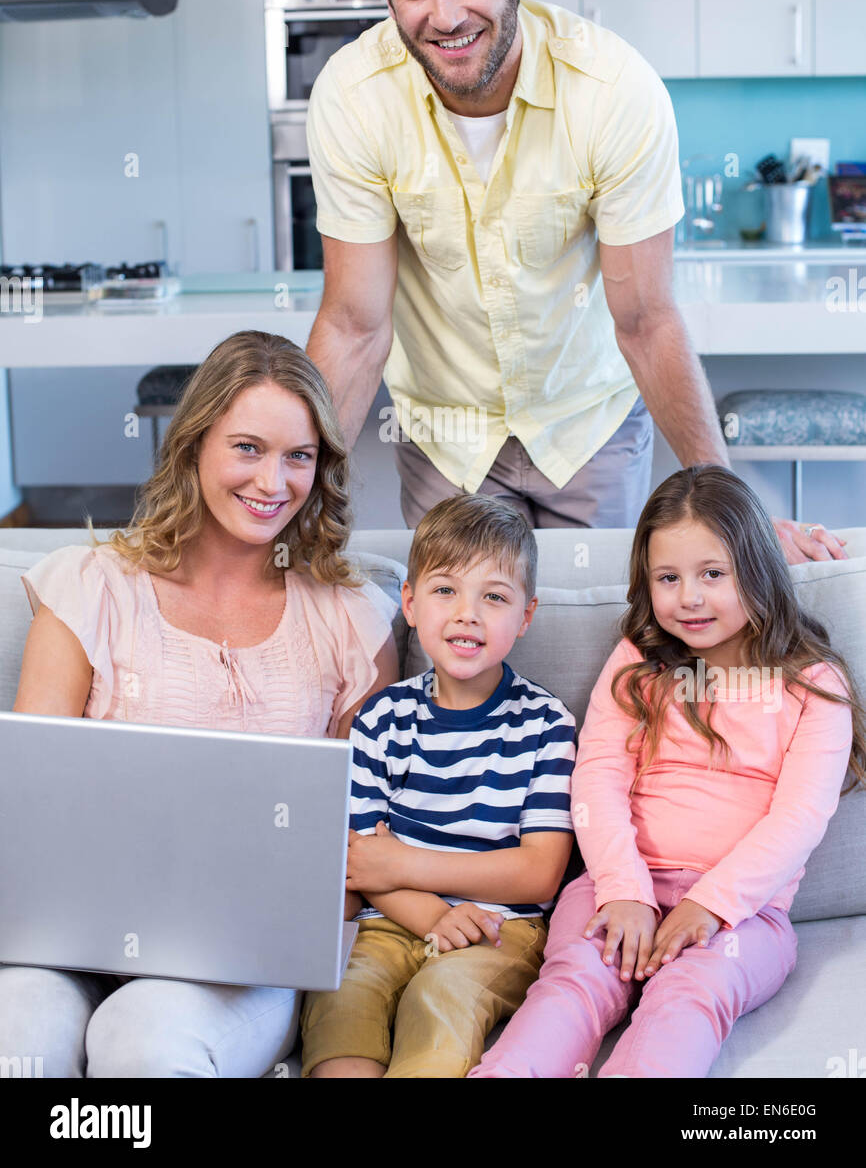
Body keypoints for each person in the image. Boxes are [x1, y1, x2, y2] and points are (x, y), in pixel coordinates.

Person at [304, 0, 842, 567]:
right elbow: (354, 325)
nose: (446, 14)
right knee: (461, 654)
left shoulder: (613, 90)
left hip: (589, 427)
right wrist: (295, 505)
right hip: (447, 437)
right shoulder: (354, 96)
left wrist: (732, 511)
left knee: (597, 645)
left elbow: (647, 321)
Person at [0, 329, 400, 1079]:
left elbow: (357, 838)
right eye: (247, 448)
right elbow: (30, 812)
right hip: (70, 941)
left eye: (298, 456)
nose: (273, 481)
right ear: (193, 448)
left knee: (141, 1040)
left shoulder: (352, 619)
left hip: (245, 961)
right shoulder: (92, 587)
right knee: (16, 1030)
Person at [469, 464, 866, 1078]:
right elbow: (598, 775)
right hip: (621, 883)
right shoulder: (639, 663)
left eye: (713, 573)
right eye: (668, 577)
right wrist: (624, 891)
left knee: (688, 995)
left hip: (743, 913)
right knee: (575, 980)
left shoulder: (813, 686)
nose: (690, 597)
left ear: (757, 569)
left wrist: (710, 906)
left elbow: (800, 819)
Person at [299, 493, 576, 1079]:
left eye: (494, 597)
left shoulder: (548, 725)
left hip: (500, 926)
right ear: (411, 603)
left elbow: (537, 873)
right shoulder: (381, 720)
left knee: (441, 998)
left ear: (526, 616)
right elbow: (361, 865)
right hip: (386, 918)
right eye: (445, 590)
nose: (466, 613)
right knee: (343, 997)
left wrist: (402, 862)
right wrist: (425, 913)